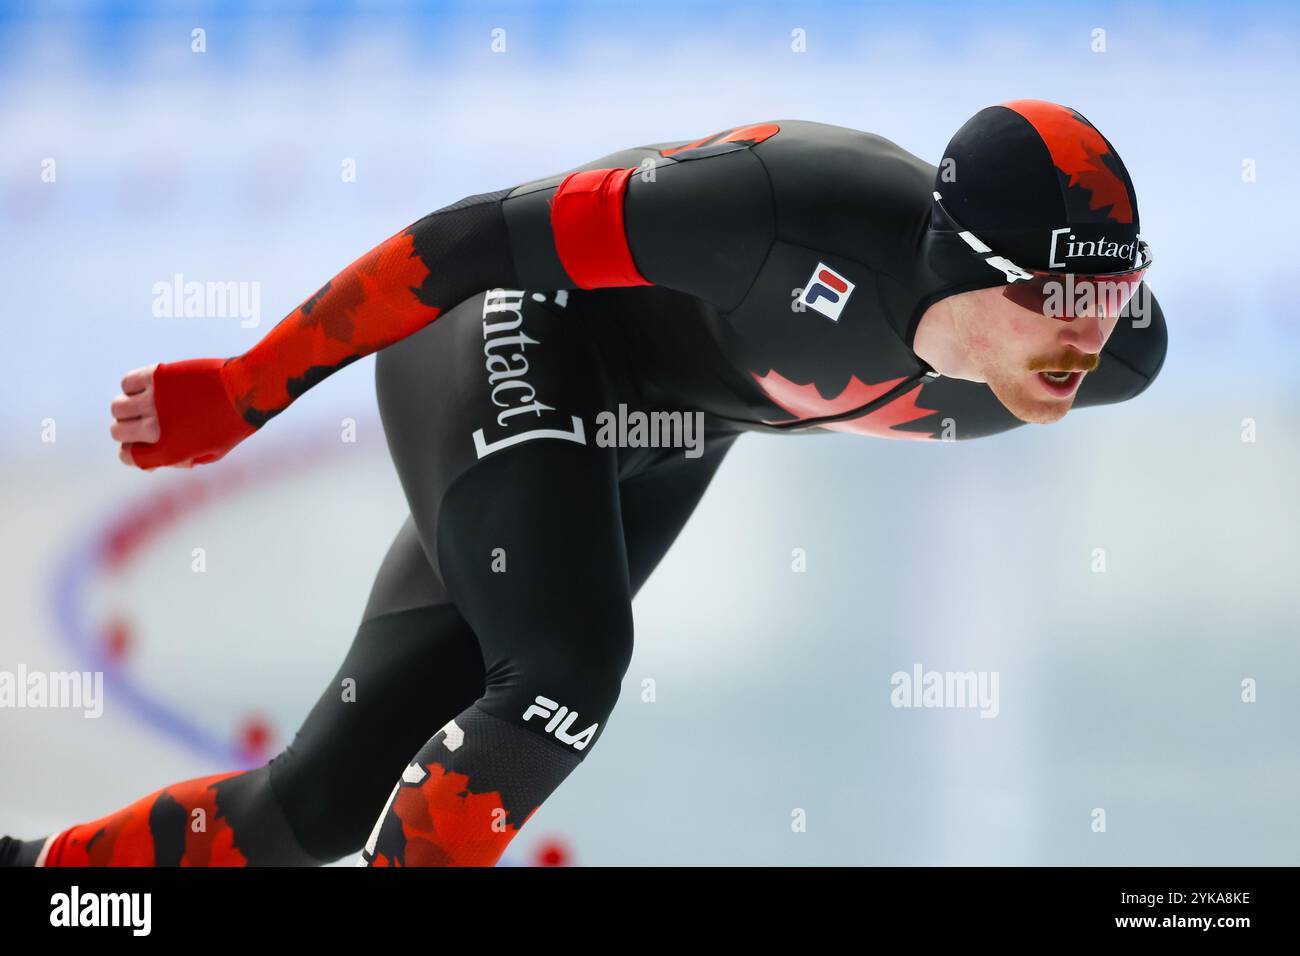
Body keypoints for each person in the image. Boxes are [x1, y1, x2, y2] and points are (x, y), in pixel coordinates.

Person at [1, 99, 1165, 867]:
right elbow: (467, 244)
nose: (1086, 336)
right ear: (962, 264)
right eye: (1058, 298)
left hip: (666, 429)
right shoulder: (773, 214)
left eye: (1112, 294)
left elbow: (1093, 314)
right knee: (562, 674)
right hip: (516, 335)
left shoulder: (1111, 354)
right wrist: (253, 382)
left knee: (316, 805)